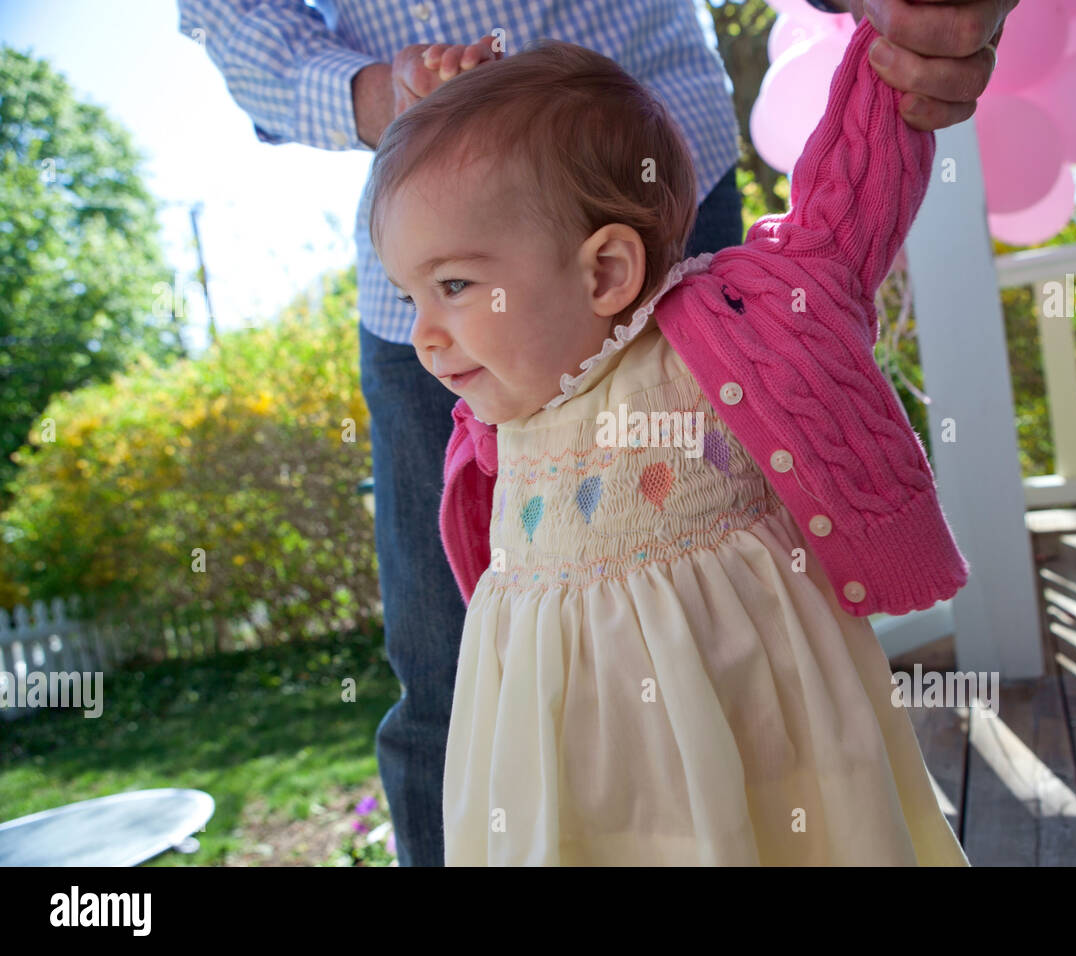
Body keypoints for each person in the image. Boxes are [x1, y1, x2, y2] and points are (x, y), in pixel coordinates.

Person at [177, 0, 1018, 866]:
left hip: (766, 766)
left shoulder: (734, 327)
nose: (423, 335)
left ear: (607, 270)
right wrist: (386, 103)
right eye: (409, 296)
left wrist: (895, 53)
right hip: (588, 807)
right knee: (433, 679)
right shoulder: (501, 411)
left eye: (455, 287)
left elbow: (847, 202)